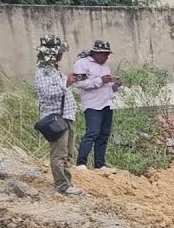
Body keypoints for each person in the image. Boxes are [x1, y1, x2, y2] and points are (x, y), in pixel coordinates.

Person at [34, 36, 83, 196]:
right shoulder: (43, 72)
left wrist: (67, 83)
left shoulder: (54, 70)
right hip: (55, 119)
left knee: (68, 153)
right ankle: (62, 185)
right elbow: (47, 93)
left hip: (65, 117)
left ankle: (67, 183)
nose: (62, 54)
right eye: (60, 51)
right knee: (59, 154)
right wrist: (66, 83)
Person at [72, 40, 119, 172]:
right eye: (104, 54)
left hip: (107, 103)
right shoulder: (82, 64)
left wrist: (115, 85)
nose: (106, 57)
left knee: (104, 134)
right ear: (96, 53)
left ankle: (100, 164)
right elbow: (79, 84)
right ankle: (81, 163)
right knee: (92, 133)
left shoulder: (105, 67)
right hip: (92, 104)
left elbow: (109, 87)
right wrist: (100, 80)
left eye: (107, 55)